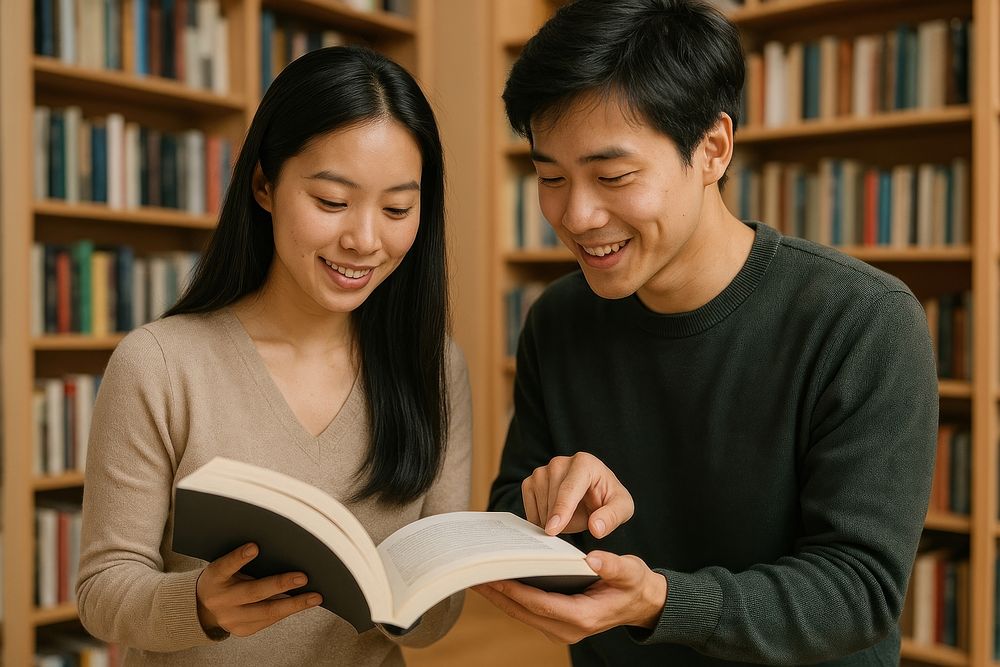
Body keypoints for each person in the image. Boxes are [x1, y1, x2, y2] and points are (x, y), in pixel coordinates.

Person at [478, 1, 938, 665]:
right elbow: (510, 501)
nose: (576, 214)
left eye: (613, 176)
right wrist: (547, 504)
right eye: (550, 177)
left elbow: (858, 590)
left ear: (713, 149)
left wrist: (661, 600)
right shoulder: (558, 319)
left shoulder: (862, 321)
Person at [76, 46, 471, 666]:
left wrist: (418, 599)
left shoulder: (434, 364)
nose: (365, 240)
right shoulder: (160, 364)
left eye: (397, 209)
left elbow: (434, 622)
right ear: (265, 185)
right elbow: (102, 593)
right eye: (332, 202)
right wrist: (201, 605)